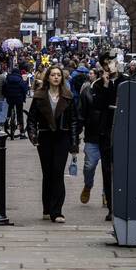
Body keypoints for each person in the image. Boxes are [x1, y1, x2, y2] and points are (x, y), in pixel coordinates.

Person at [28, 66, 78, 223]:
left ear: (62, 78)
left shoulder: (68, 96)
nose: (56, 77)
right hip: (45, 137)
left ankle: (57, 211)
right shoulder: (39, 96)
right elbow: (31, 119)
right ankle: (47, 208)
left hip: (62, 137)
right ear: (48, 77)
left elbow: (74, 121)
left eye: (58, 75)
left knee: (58, 172)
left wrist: (74, 143)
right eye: (53, 75)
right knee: (47, 173)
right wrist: (33, 135)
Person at [81, 64, 117, 216]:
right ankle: (88, 185)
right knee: (89, 166)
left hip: (109, 136)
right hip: (93, 135)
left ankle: (106, 195)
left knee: (108, 169)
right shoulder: (88, 91)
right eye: (103, 72)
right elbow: (82, 113)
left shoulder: (116, 88)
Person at [3, 61, 30, 139]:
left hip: (10, 98)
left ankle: (7, 122)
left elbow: (4, 88)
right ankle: (22, 133)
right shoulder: (20, 79)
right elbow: (24, 89)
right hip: (19, 98)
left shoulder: (8, 78)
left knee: (9, 111)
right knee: (19, 114)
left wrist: (5, 95)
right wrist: (24, 96)